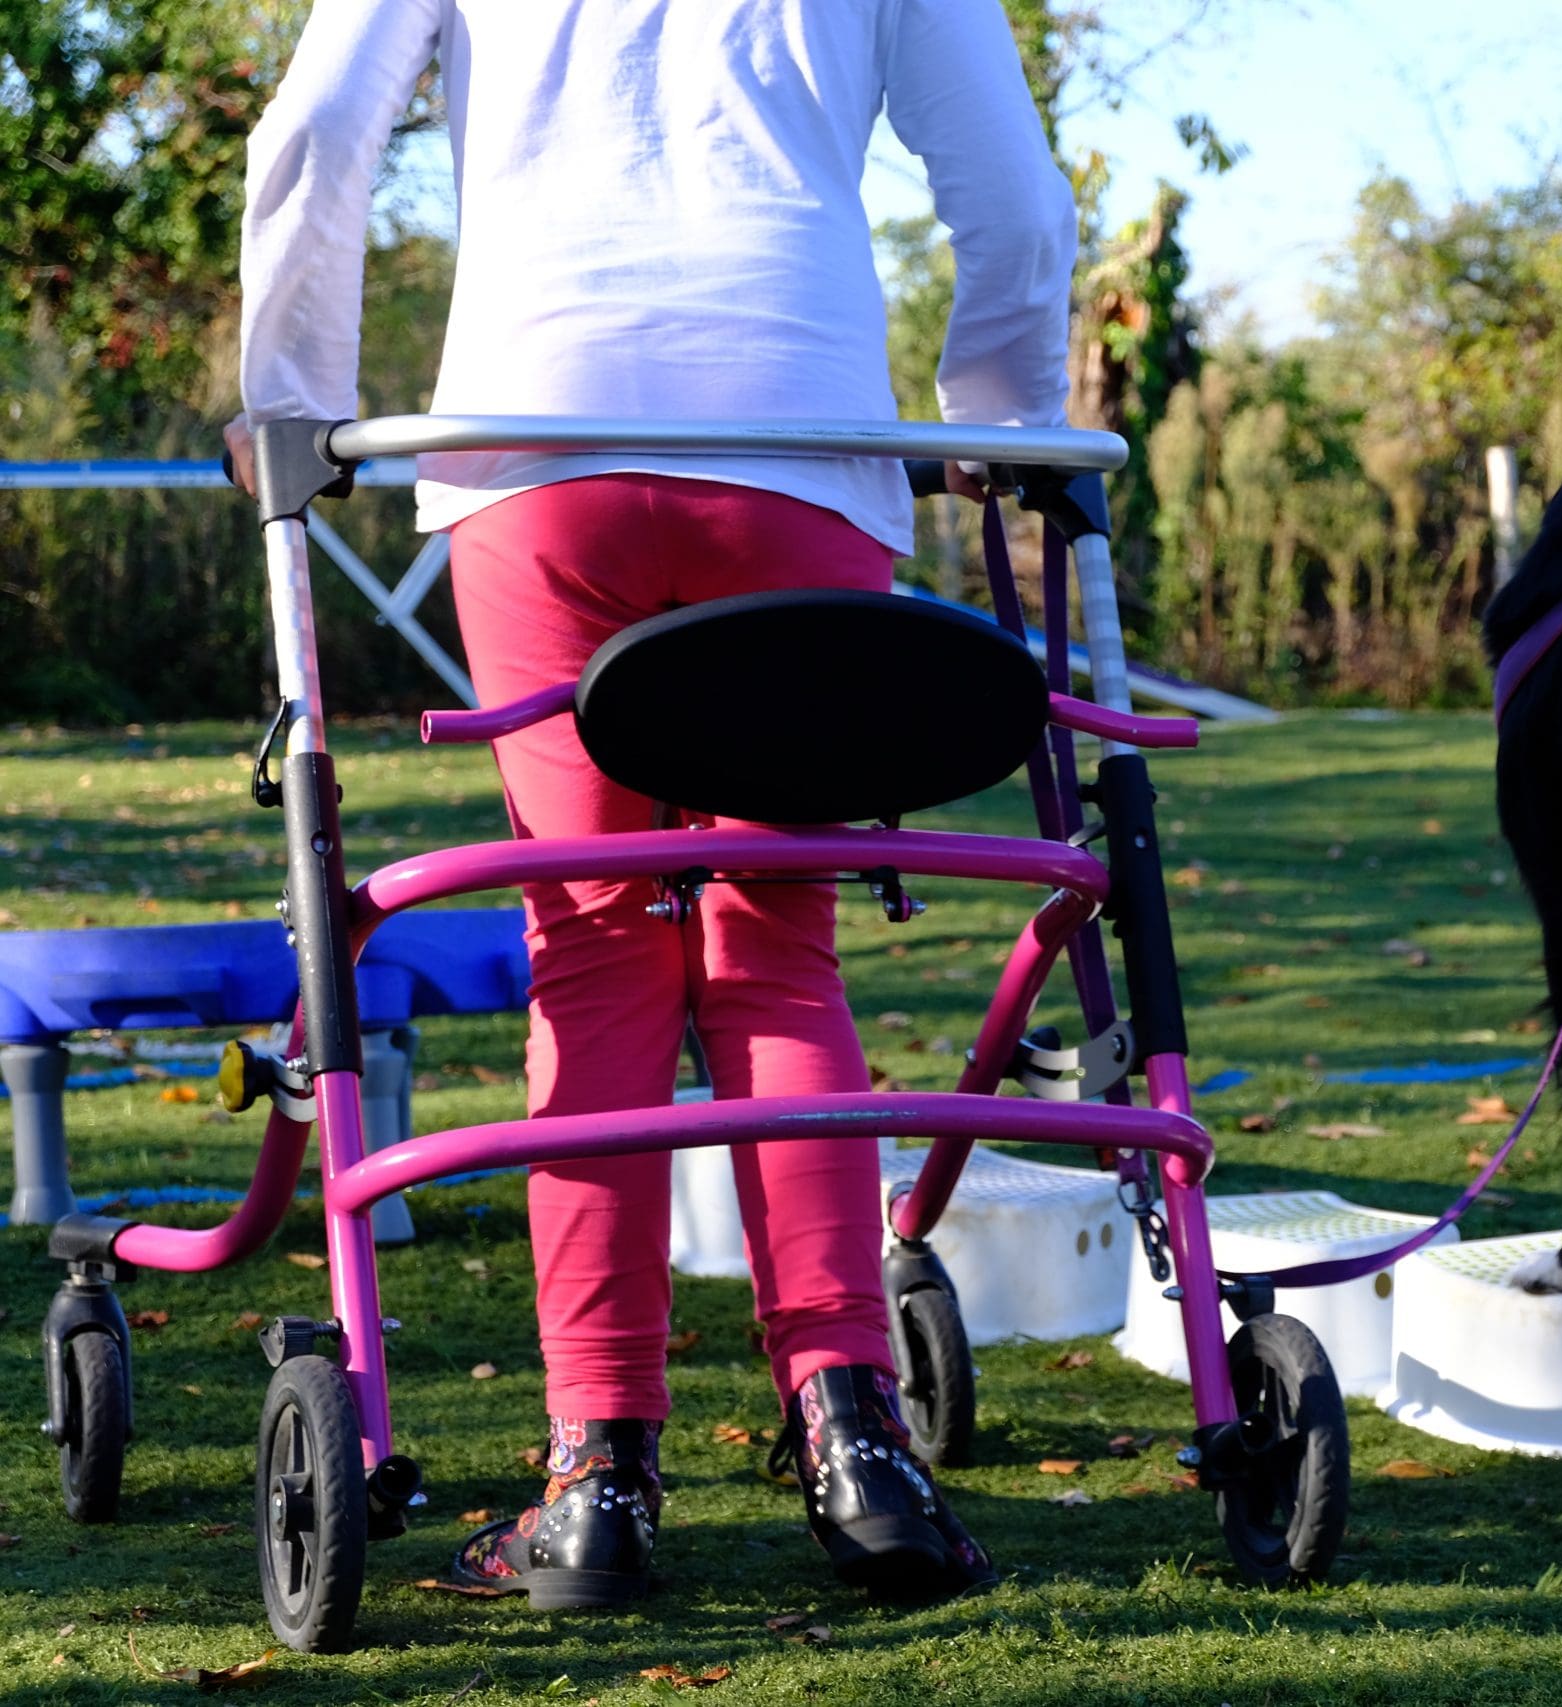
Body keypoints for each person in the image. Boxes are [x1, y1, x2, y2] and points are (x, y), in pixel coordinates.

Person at [230, 0, 1075, 1609]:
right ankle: (857, 1443)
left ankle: (597, 1476)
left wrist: (294, 402)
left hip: (535, 446)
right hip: (801, 442)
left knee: (596, 946)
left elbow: (317, 133)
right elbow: (1014, 195)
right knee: (777, 951)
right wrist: (1003, 418)